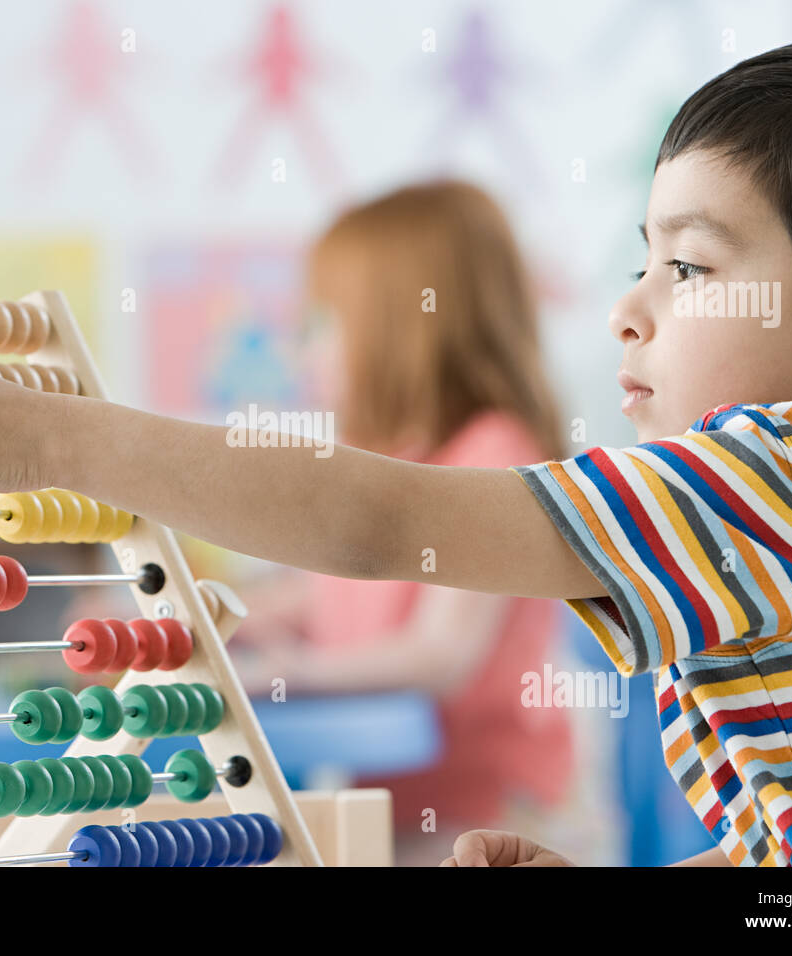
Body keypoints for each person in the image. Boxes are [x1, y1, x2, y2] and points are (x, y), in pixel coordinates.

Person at [0, 41, 792, 866]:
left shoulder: (777, 473)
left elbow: (384, 520)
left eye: (686, 269)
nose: (628, 311)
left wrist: (55, 435)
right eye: (642, 259)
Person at [227, 181, 583, 866]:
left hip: (496, 820)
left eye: (323, 326)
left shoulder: (494, 458)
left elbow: (440, 654)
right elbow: (325, 595)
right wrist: (187, 623)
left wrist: (289, 672)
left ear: (406, 327)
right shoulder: (394, 462)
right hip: (400, 799)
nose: (305, 354)